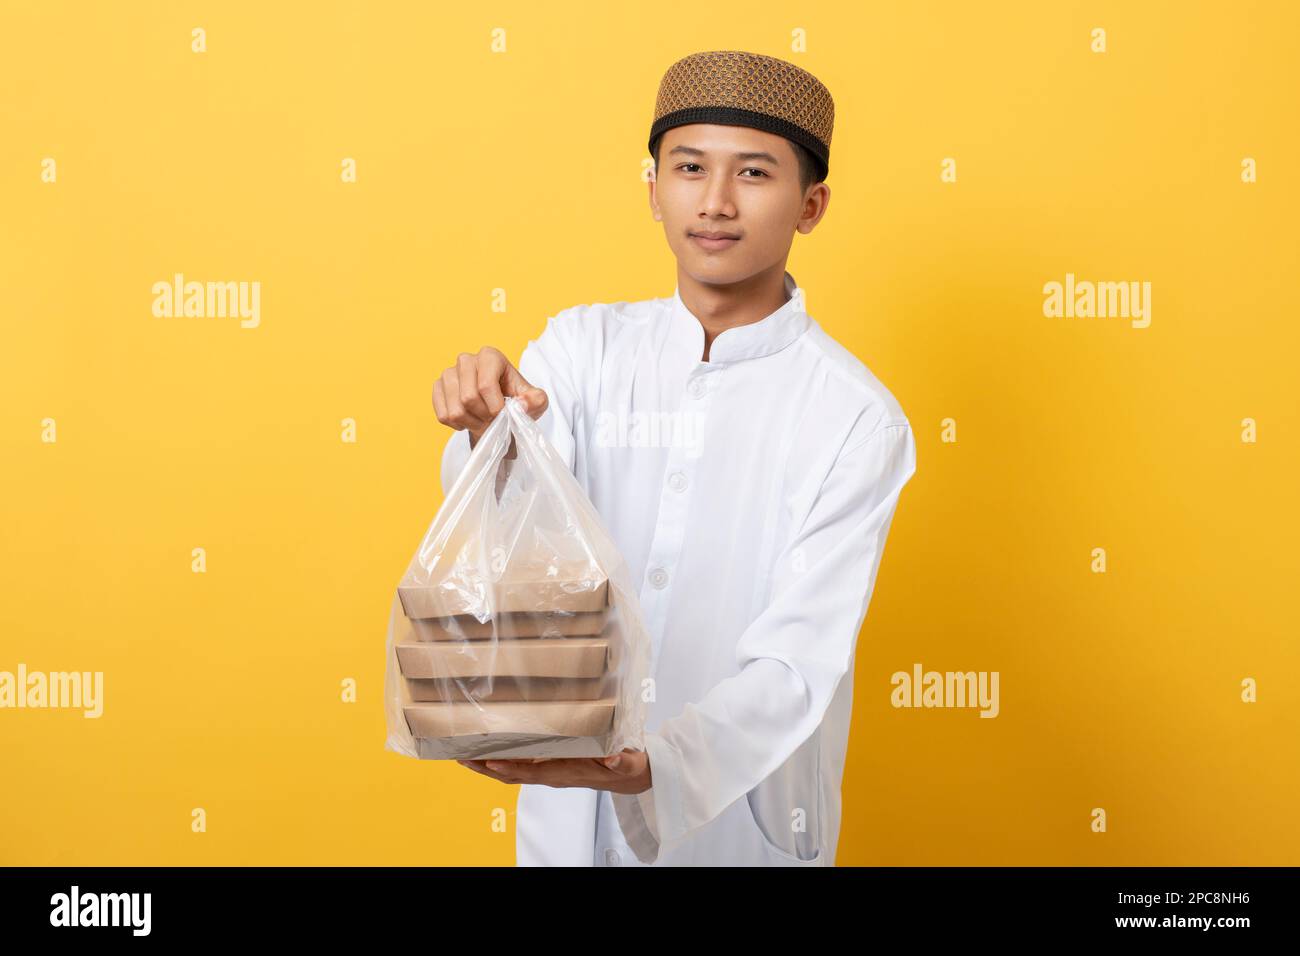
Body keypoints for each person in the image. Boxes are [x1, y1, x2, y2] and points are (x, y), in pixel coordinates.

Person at [431, 50, 917, 866]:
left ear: (812, 204)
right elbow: (515, 533)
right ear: (654, 188)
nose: (716, 203)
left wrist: (653, 767)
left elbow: (799, 665)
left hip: (735, 833)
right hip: (565, 826)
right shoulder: (581, 349)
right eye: (689, 168)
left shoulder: (855, 419)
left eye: (754, 173)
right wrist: (487, 434)